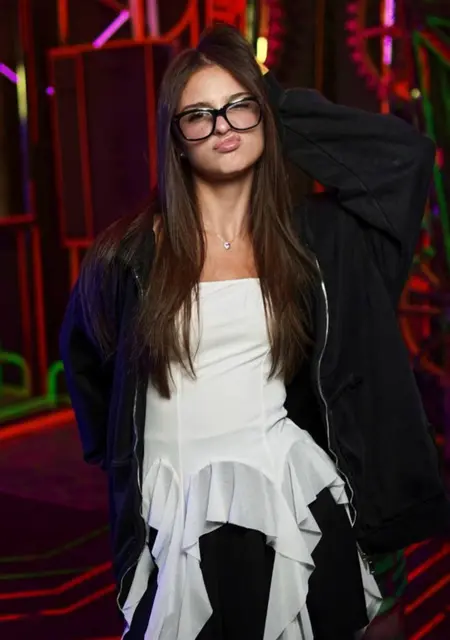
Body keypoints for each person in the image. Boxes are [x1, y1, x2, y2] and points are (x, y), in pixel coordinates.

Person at [60, 23, 450, 640]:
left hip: (285, 493)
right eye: (199, 115)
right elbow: (88, 366)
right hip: (178, 514)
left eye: (239, 106)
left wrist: (272, 100)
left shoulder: (312, 243)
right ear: (175, 138)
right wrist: (125, 461)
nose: (223, 126)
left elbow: (404, 158)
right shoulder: (128, 256)